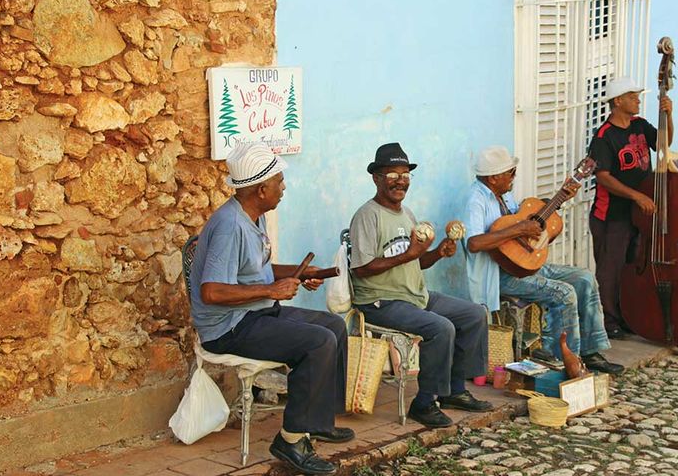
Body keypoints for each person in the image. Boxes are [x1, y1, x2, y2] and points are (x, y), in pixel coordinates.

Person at [188, 142, 351, 476]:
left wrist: (302, 272)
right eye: (279, 182)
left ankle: (316, 422)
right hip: (228, 329)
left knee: (334, 327)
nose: (284, 187)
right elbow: (211, 292)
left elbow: (259, 270)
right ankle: (290, 440)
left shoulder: (254, 216)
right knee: (318, 343)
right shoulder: (229, 225)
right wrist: (271, 290)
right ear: (261, 189)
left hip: (256, 312)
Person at [349, 142, 492, 429]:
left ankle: (454, 391)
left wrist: (438, 252)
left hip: (414, 296)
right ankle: (424, 403)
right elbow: (361, 269)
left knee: (475, 314)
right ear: (376, 178)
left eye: (405, 175)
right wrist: (409, 254)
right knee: (440, 328)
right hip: (380, 301)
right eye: (392, 175)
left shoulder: (407, 214)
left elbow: (416, 262)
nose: (400, 181)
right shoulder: (367, 215)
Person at [463, 146, 624, 375]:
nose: (514, 176)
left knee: (585, 278)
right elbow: (474, 243)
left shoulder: (504, 193)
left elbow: (523, 220)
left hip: (523, 266)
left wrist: (556, 201)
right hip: (497, 275)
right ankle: (564, 360)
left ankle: (591, 351)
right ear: (494, 177)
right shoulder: (476, 200)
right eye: (511, 172)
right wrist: (519, 229)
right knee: (564, 293)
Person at [587, 76, 673, 339]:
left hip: (639, 213)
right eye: (632, 96)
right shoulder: (603, 137)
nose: (637, 99)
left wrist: (668, 116)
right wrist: (636, 196)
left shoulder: (639, 125)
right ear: (617, 101)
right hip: (611, 215)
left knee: (633, 266)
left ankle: (629, 316)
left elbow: (662, 144)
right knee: (610, 271)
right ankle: (610, 322)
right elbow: (603, 177)